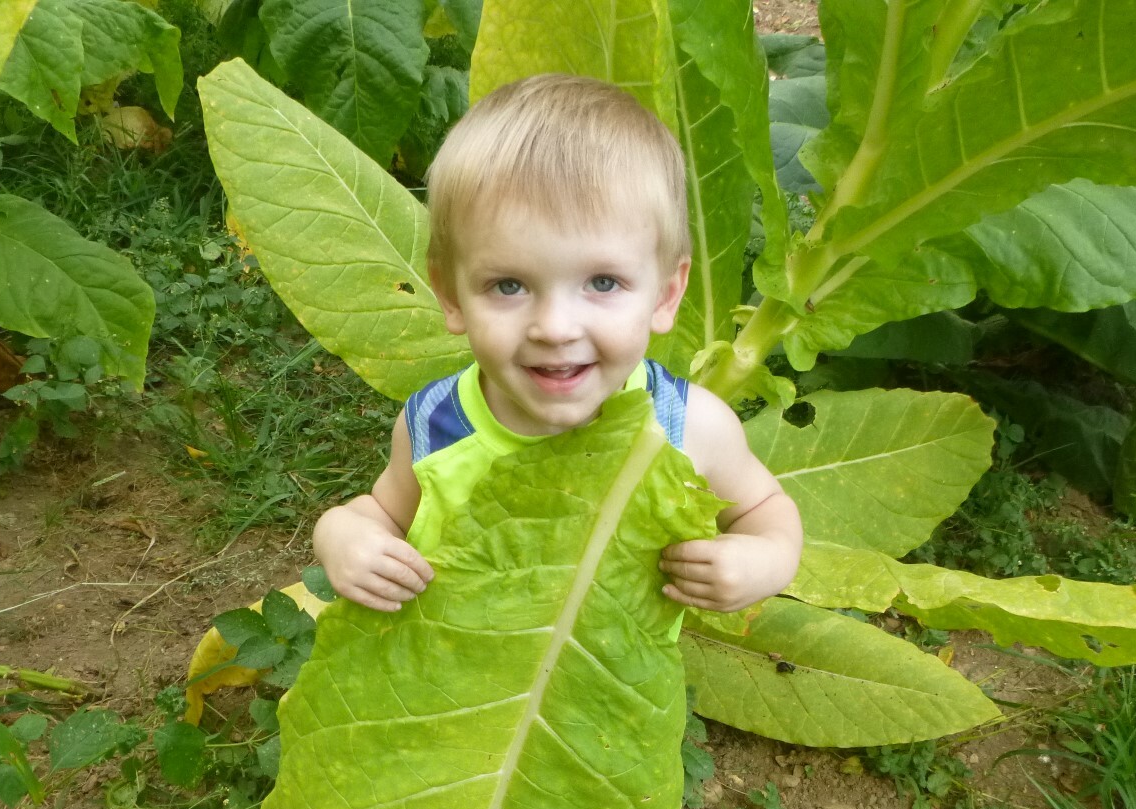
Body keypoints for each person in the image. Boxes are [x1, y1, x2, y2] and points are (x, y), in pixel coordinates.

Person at [312, 72, 802, 619]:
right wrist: (341, 534)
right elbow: (383, 513)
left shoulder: (691, 428)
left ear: (666, 294)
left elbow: (764, 509)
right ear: (451, 295)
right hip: (450, 661)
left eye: (603, 283)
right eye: (509, 286)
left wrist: (766, 559)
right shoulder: (434, 424)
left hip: (601, 668)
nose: (555, 328)